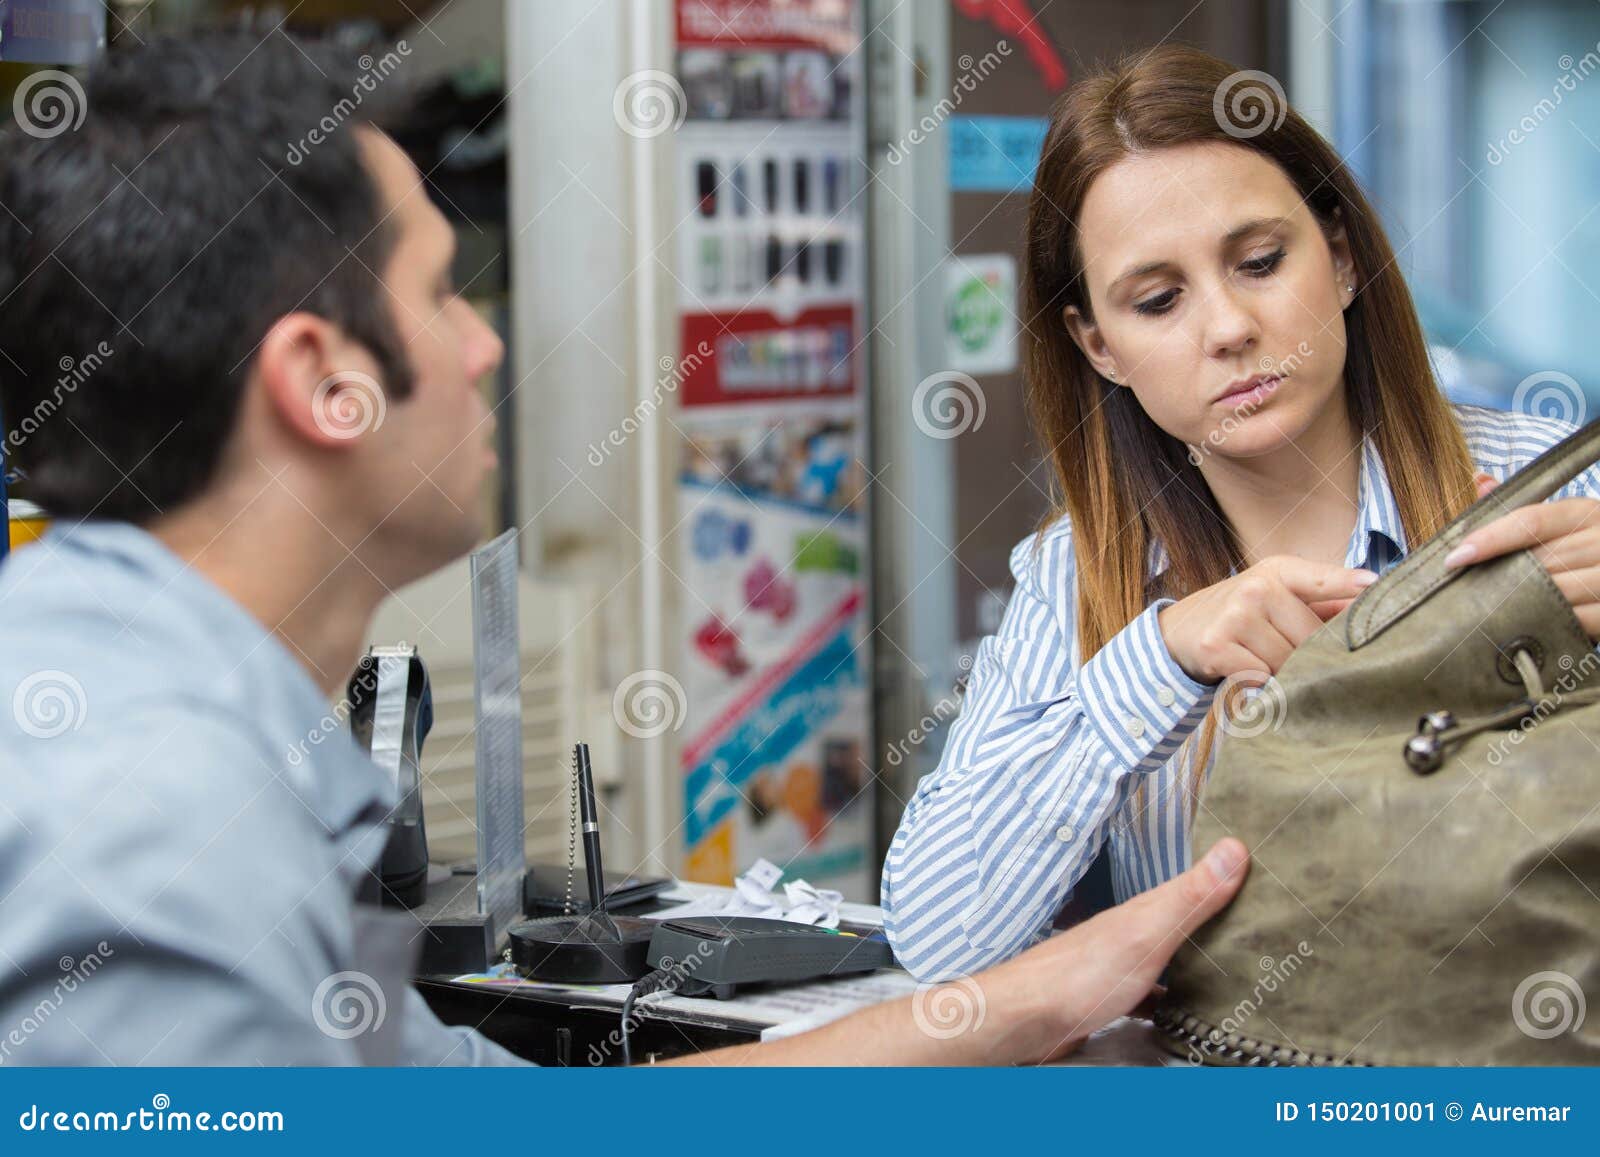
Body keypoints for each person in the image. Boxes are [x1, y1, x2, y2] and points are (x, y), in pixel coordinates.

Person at [0, 33, 1249, 1066]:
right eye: (441, 293)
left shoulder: (163, 717)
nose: (484, 346)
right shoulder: (150, 837)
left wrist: (1017, 1001)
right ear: (324, 382)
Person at [883, 44, 1600, 982]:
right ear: (1099, 345)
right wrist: (1163, 659)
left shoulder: (1558, 492)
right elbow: (938, 940)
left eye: (1260, 262)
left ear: (1340, 259)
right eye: (1159, 299)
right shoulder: (1078, 580)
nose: (1227, 328)